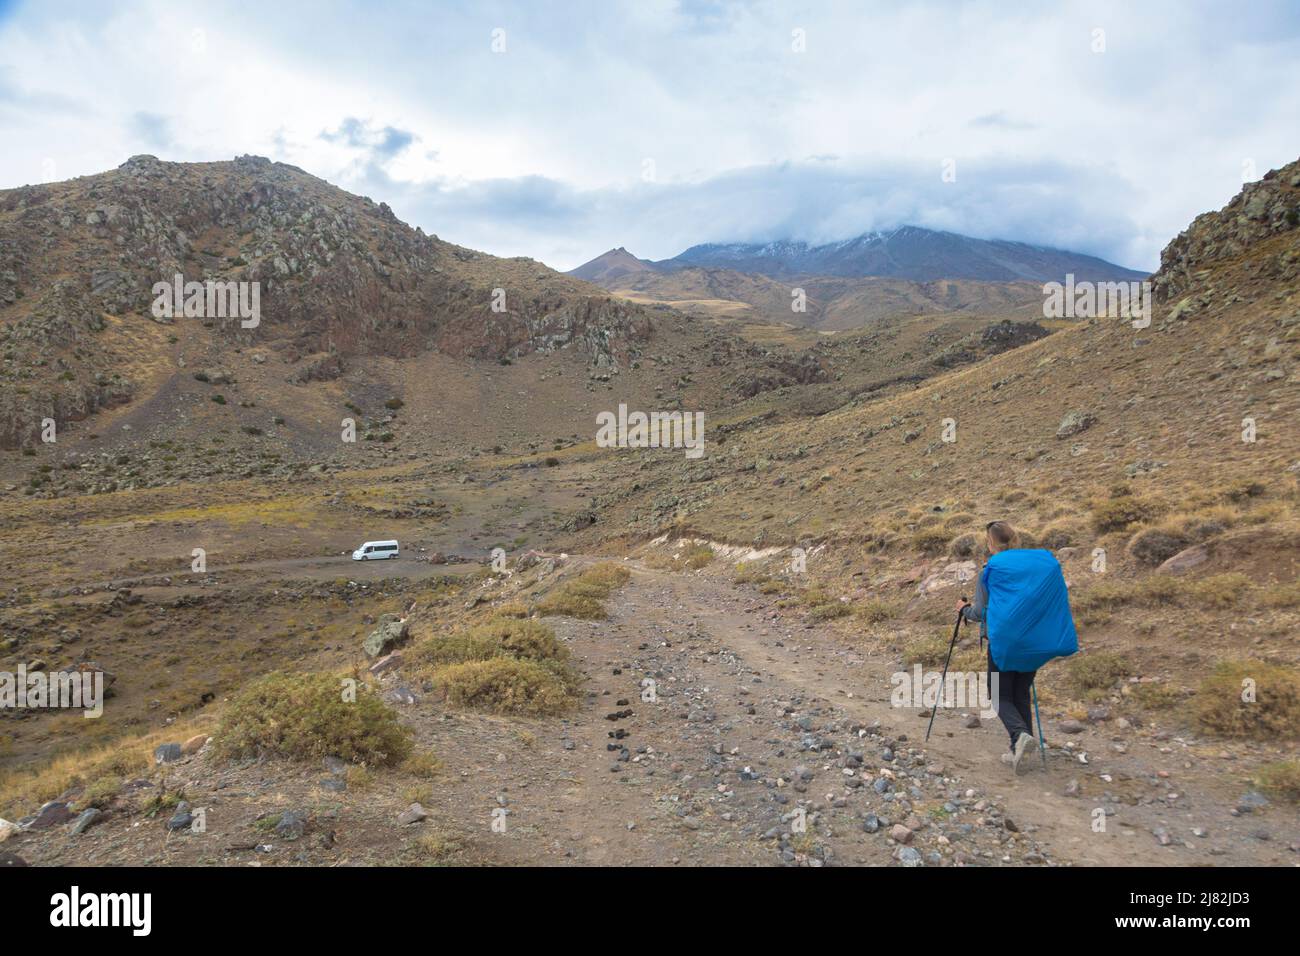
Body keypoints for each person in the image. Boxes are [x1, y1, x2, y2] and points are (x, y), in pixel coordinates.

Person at [956, 520, 1052, 773]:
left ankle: (1019, 736)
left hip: (1004, 642)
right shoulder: (1034, 568)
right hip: (1033, 640)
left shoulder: (992, 569)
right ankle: (1020, 747)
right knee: (1020, 693)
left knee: (998, 695)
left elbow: (980, 612)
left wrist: (963, 610)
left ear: (990, 543)